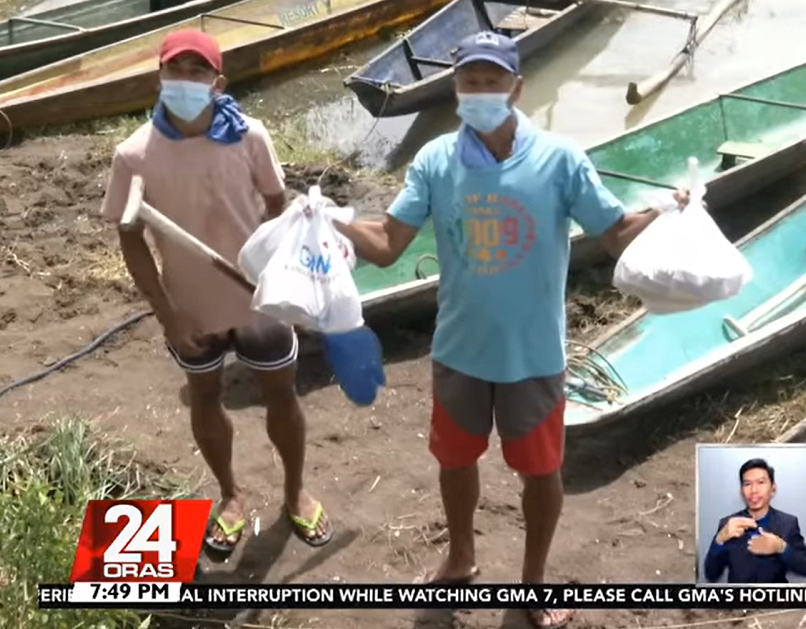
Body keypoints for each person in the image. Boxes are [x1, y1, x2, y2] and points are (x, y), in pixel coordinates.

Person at [332, 31, 692, 629]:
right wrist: (333, 220)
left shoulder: (560, 159)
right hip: (459, 348)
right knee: (455, 461)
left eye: (491, 81)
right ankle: (460, 557)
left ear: (516, 88)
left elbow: (615, 231)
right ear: (455, 89)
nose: (479, 92)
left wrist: (670, 209)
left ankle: (532, 584)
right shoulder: (435, 161)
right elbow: (390, 245)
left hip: (534, 354)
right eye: (468, 82)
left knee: (541, 471)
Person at [99, 29, 333, 553]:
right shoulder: (134, 154)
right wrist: (167, 315)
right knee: (205, 398)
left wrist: (284, 272)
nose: (184, 81)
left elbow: (276, 204)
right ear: (158, 79)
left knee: (281, 393)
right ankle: (230, 495)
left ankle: (295, 492)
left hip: (257, 299)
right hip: (191, 309)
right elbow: (130, 237)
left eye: (196, 72)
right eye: (173, 71)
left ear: (217, 81)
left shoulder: (250, 137)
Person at [702, 458, 806, 583]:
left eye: (761, 482)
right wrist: (719, 540)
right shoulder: (728, 524)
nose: (754, 490)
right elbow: (711, 575)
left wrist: (781, 547)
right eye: (747, 484)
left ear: (773, 488)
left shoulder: (788, 523)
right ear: (741, 491)